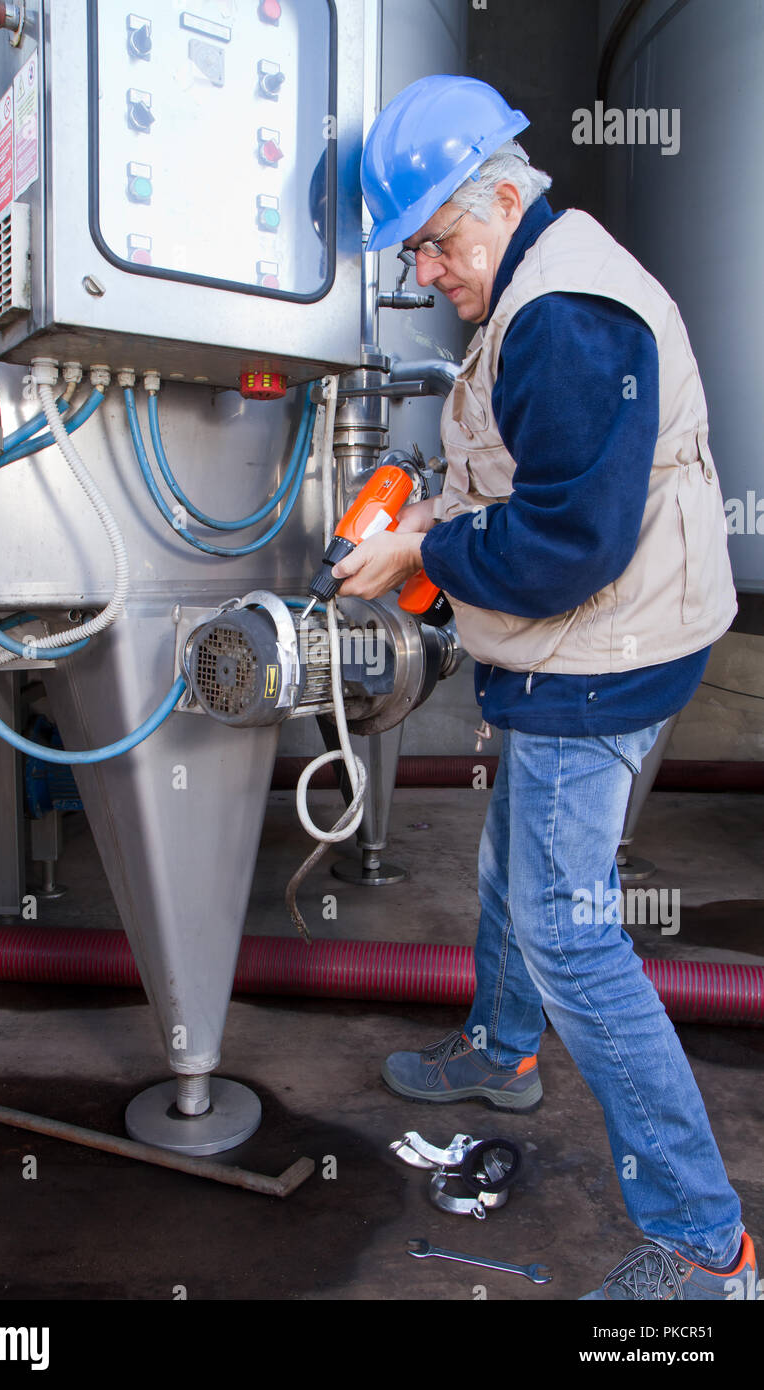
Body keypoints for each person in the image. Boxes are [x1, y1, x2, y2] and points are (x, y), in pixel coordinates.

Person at [332, 74, 758, 1301]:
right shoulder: (532, 280)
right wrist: (433, 513)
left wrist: (419, 551)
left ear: (504, 199)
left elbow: (570, 543)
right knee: (507, 866)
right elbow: (531, 476)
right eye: (415, 253)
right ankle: (502, 1052)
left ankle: (703, 1247)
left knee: (571, 936)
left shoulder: (567, 315)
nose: (428, 274)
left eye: (437, 244)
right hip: (585, 646)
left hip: (601, 657)